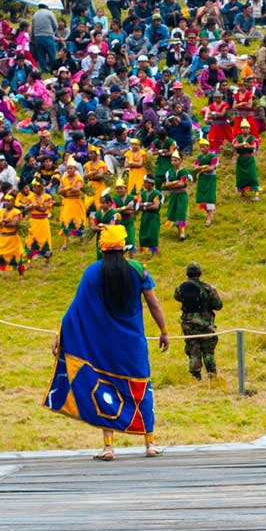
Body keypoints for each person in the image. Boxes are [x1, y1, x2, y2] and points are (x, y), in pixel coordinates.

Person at [45, 224, 168, 461]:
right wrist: (164, 330)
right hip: (132, 343)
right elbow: (154, 304)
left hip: (103, 344)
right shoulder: (139, 270)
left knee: (105, 387)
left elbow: (76, 309)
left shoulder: (92, 272)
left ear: (102, 249)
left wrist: (59, 336)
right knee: (140, 388)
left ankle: (109, 447)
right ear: (124, 248)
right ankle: (150, 442)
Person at [174, 262, 223, 380]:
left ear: (187, 274)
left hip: (188, 325)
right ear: (200, 273)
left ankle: (196, 377)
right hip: (206, 324)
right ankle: (212, 375)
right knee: (208, 351)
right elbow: (218, 305)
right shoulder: (209, 288)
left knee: (193, 351)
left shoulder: (180, 288)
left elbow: (177, 297)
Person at [0, 198, 27, 285]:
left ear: (13, 202)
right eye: (6, 201)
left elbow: (14, 223)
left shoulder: (16, 212)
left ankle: (21, 277)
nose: (7, 202)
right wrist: (2, 221)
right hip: (2, 239)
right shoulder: (0, 212)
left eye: (9, 201)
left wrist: (5, 222)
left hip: (13, 238)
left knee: (18, 259)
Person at [163, 152, 193, 242]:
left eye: (175, 160)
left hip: (181, 195)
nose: (173, 162)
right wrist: (175, 182)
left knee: (181, 212)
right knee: (174, 213)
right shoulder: (169, 172)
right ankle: (179, 230)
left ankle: (182, 232)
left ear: (180, 161)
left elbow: (183, 184)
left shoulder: (184, 172)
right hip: (173, 195)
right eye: (172, 160)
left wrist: (172, 184)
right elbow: (167, 184)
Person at [193, 138, 218, 228]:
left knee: (209, 197)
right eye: (201, 147)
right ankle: (209, 213)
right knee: (202, 197)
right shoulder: (199, 157)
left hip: (210, 178)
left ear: (208, 147)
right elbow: (195, 167)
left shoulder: (213, 157)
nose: (202, 149)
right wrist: (204, 168)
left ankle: (209, 217)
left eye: (203, 147)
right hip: (202, 179)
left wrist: (201, 168)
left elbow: (211, 168)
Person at [137, 175, 163, 255]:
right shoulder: (142, 193)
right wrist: (148, 204)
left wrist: (144, 206)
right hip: (145, 216)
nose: (144, 184)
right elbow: (139, 205)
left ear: (151, 183)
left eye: (146, 182)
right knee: (144, 232)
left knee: (153, 234)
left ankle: (153, 253)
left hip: (153, 217)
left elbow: (155, 206)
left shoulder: (157, 194)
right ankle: (145, 250)